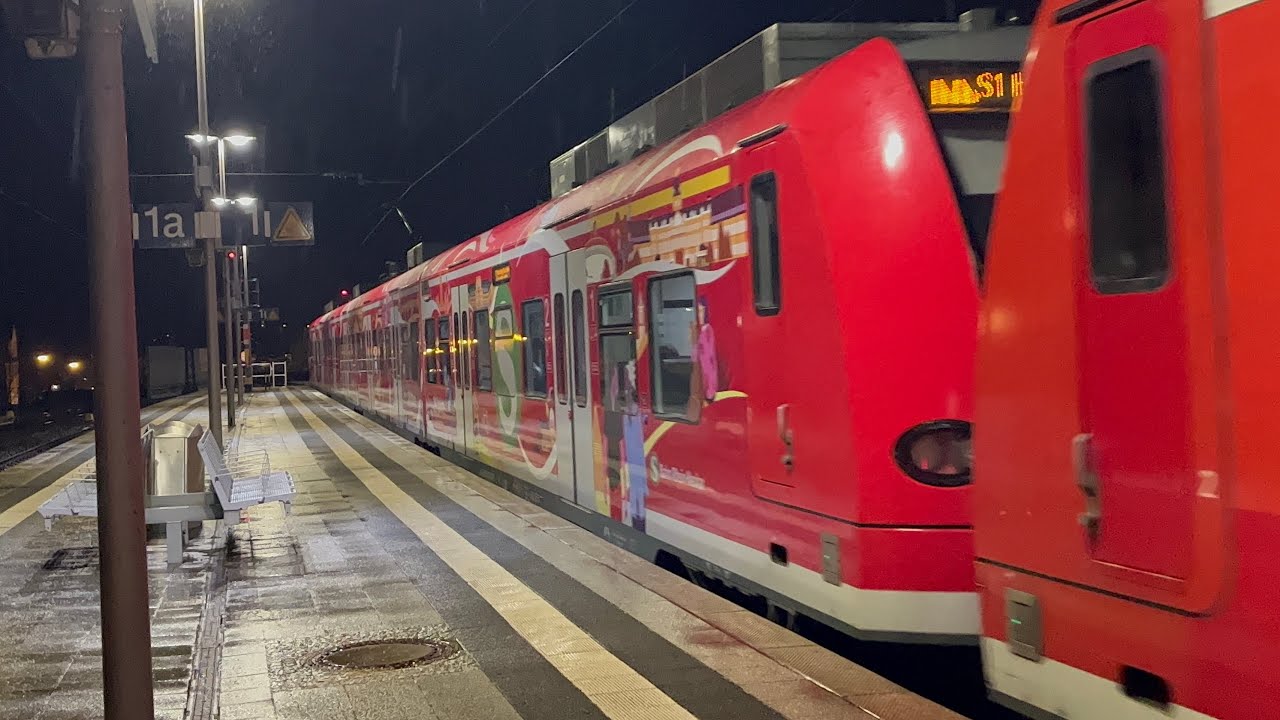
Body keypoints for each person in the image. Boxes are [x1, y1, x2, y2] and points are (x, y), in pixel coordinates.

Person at [695, 296, 718, 404]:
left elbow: (709, 357)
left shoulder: (708, 330)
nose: (699, 315)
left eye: (701, 311)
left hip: (706, 367)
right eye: (697, 311)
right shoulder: (697, 330)